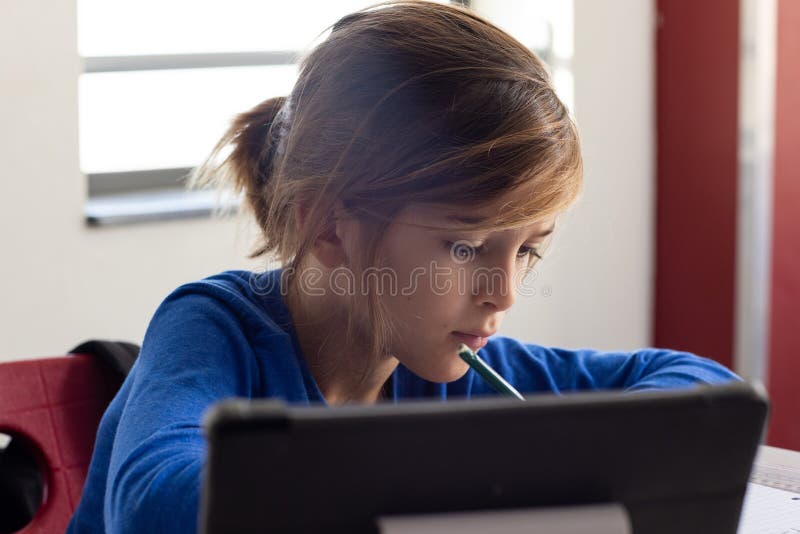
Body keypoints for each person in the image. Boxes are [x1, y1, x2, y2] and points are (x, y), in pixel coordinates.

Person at [67, 2, 740, 532]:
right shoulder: (214, 330)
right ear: (328, 224)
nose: (503, 293)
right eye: (466, 247)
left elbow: (697, 388)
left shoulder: (442, 364)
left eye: (527, 249)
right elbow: (154, 503)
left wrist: (590, 457)